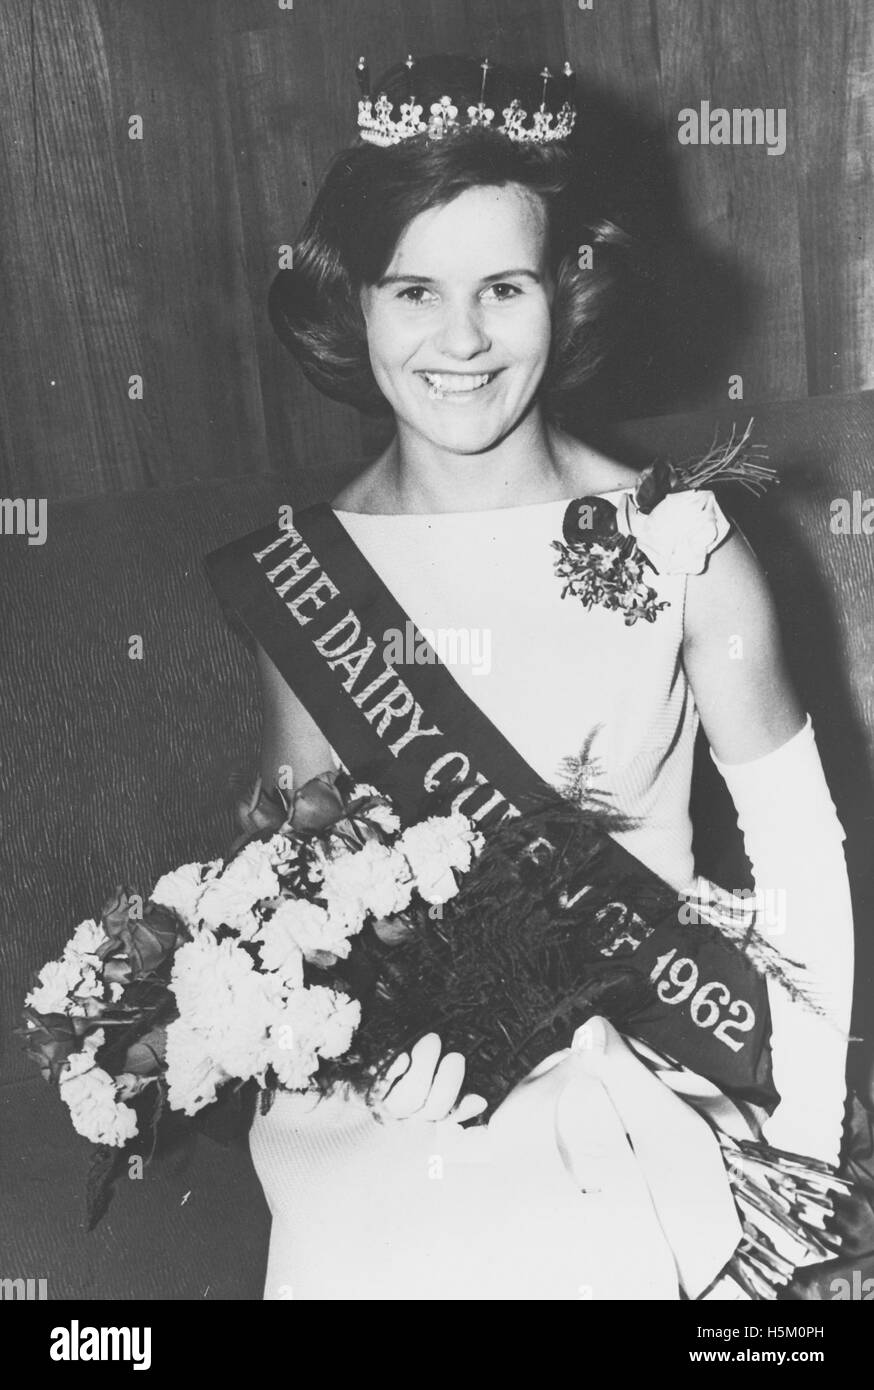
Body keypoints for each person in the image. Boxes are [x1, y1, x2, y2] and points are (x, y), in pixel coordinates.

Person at [206, 54, 855, 1300]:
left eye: (504, 286)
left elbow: (799, 853)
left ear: (568, 290)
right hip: (407, 1080)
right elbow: (303, 878)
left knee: (555, 1218)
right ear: (354, 306)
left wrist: (810, 1134)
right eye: (414, 290)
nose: (460, 339)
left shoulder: (680, 542)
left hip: (645, 1047)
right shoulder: (311, 577)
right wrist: (362, 1046)